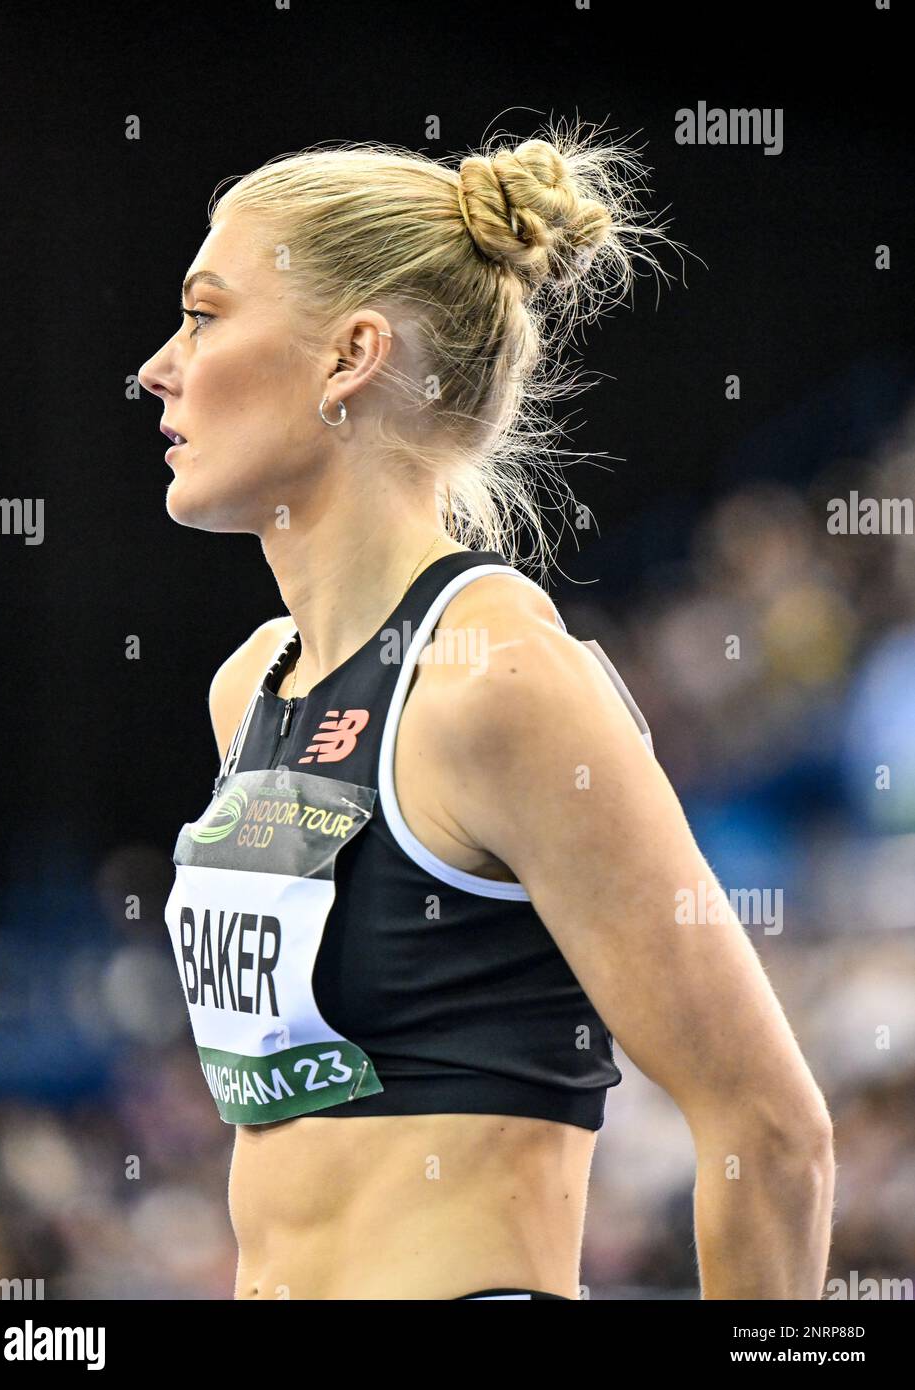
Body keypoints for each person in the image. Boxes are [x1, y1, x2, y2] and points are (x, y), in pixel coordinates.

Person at [138, 120, 835, 1301]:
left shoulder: (495, 679)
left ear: (349, 354)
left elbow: (768, 1131)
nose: (160, 364)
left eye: (204, 315)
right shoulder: (251, 684)